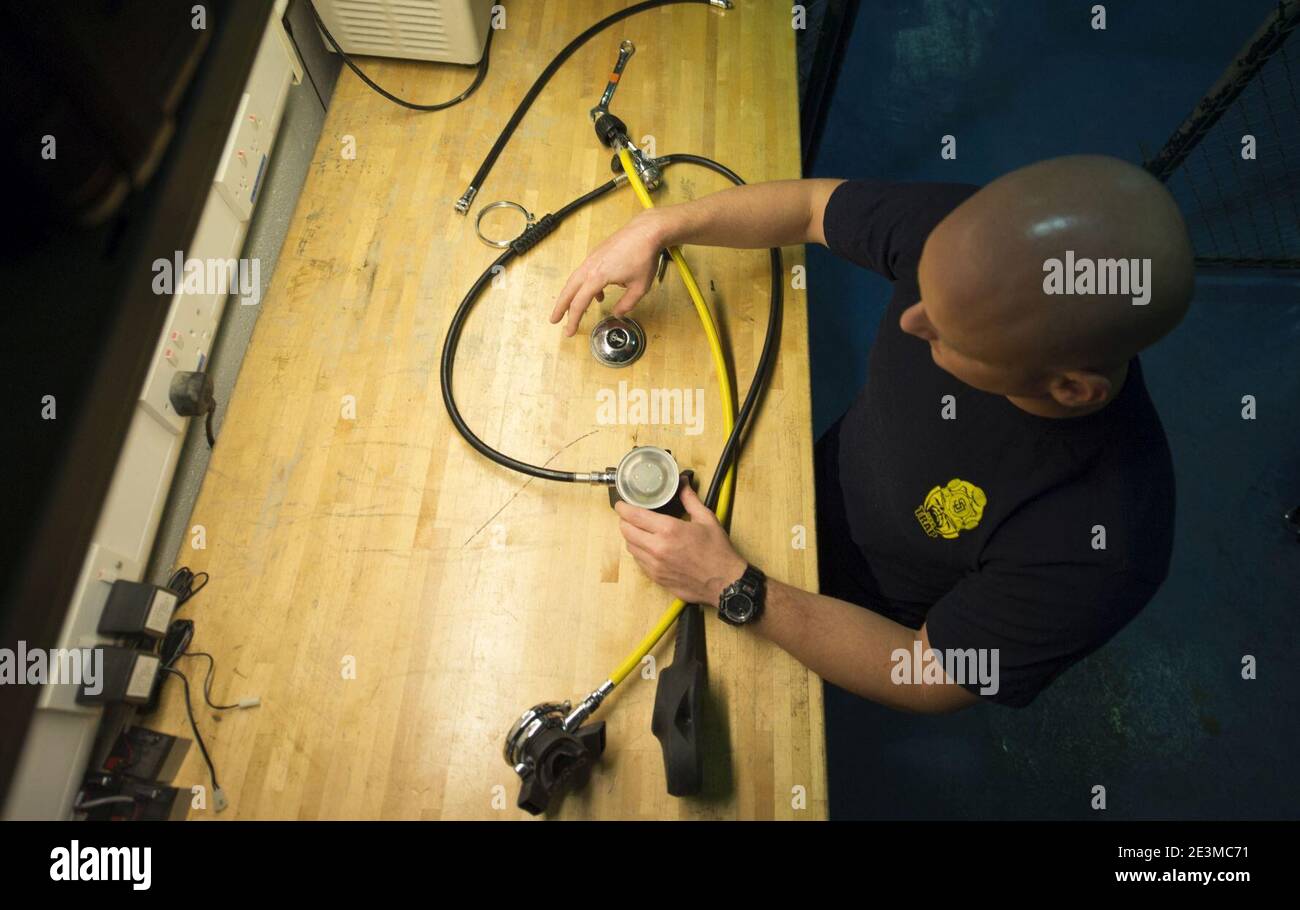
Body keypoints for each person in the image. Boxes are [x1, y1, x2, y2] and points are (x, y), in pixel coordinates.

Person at [549, 155, 1194, 711]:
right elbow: (811, 207)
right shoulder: (967, 239)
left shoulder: (1102, 545)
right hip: (821, 473)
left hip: (859, 605)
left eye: (952, 334)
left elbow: (927, 676)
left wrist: (735, 588)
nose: (910, 323)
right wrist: (660, 226)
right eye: (924, 289)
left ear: (1071, 388)